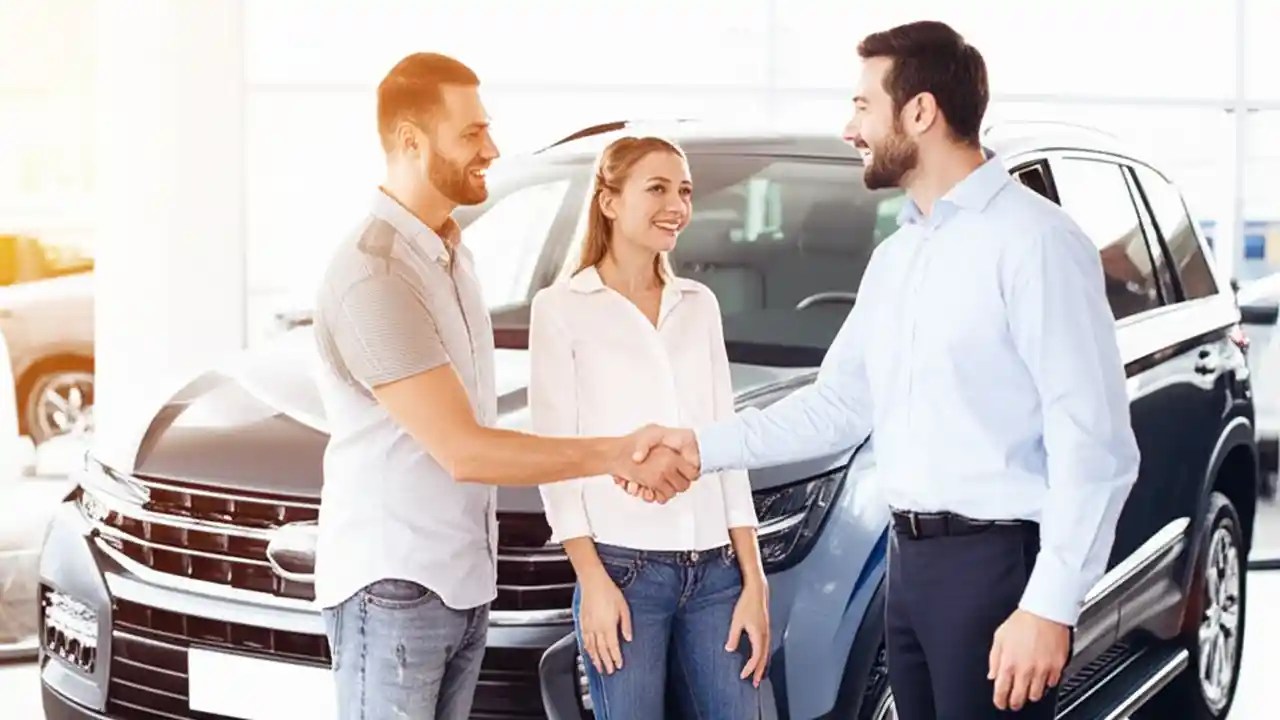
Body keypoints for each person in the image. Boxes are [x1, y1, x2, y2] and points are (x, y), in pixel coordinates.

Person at [626, 20, 1141, 720]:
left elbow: (1097, 446)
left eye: (863, 105)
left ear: (921, 111)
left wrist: (1047, 607)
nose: (850, 127)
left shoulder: (1036, 242)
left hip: (993, 571)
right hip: (909, 568)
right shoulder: (900, 256)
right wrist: (701, 444)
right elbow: (839, 405)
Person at [310, 53, 697, 720]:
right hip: (395, 586)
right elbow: (467, 451)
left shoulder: (450, 253)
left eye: (487, 129)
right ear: (409, 142)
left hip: (458, 584)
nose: (492, 148)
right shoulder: (376, 277)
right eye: (470, 134)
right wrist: (616, 453)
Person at [528, 136, 770, 719]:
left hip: (716, 573)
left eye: (684, 191)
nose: (677, 206)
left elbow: (725, 442)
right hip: (623, 573)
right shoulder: (562, 309)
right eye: (657, 188)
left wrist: (753, 581)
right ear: (608, 201)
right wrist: (592, 581)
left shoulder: (699, 304)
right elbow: (554, 458)